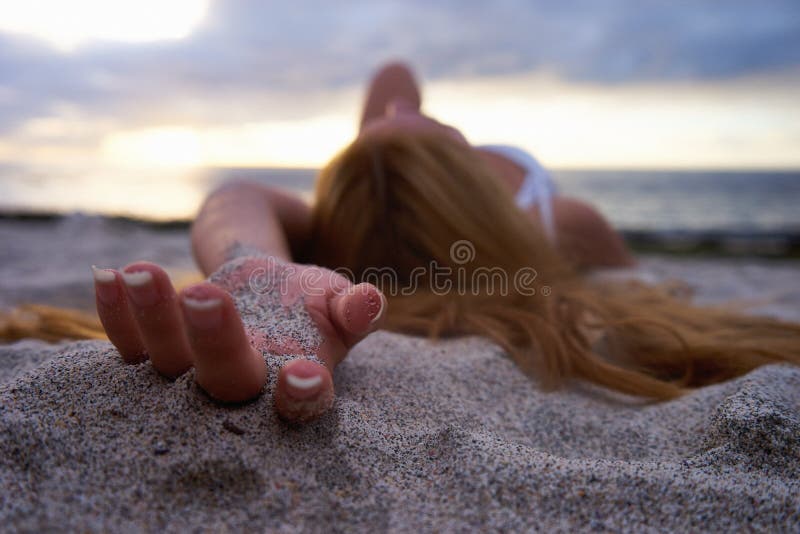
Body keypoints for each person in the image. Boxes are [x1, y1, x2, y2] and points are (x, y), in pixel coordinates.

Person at [90, 62, 800, 422]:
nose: (400, 106)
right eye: (404, 125)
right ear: (465, 177)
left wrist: (253, 259)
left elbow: (232, 200)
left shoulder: (331, 223)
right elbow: (632, 283)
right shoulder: (556, 219)